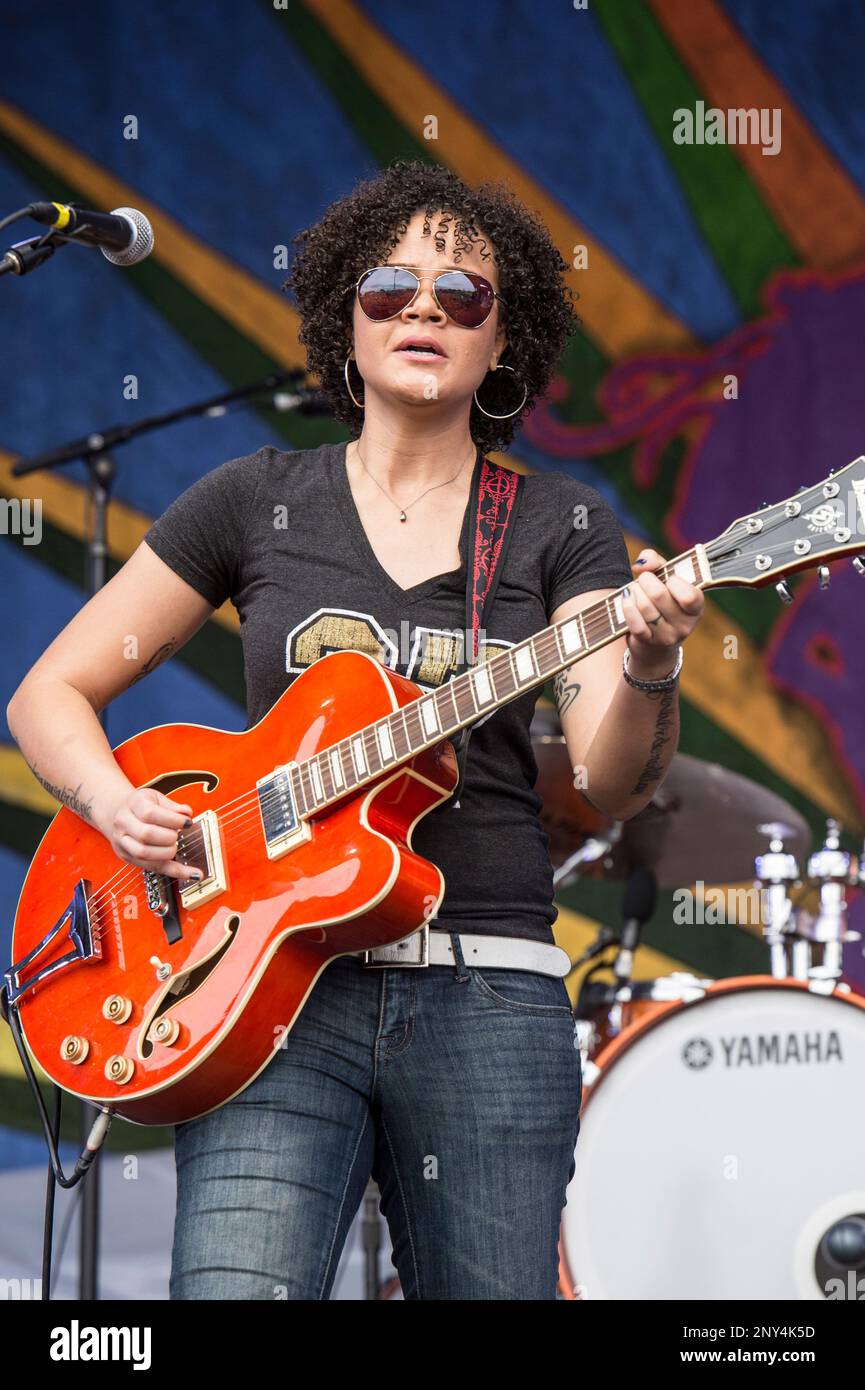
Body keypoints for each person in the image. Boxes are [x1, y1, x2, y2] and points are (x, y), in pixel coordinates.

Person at [6, 159, 704, 1299]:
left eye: (462, 295)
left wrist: (651, 656)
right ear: (346, 320)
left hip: (487, 987)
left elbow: (609, 777)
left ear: (500, 346)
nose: (423, 306)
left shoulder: (558, 525)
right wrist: (108, 799)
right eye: (389, 286)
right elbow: (48, 694)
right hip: (263, 990)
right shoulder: (251, 498)